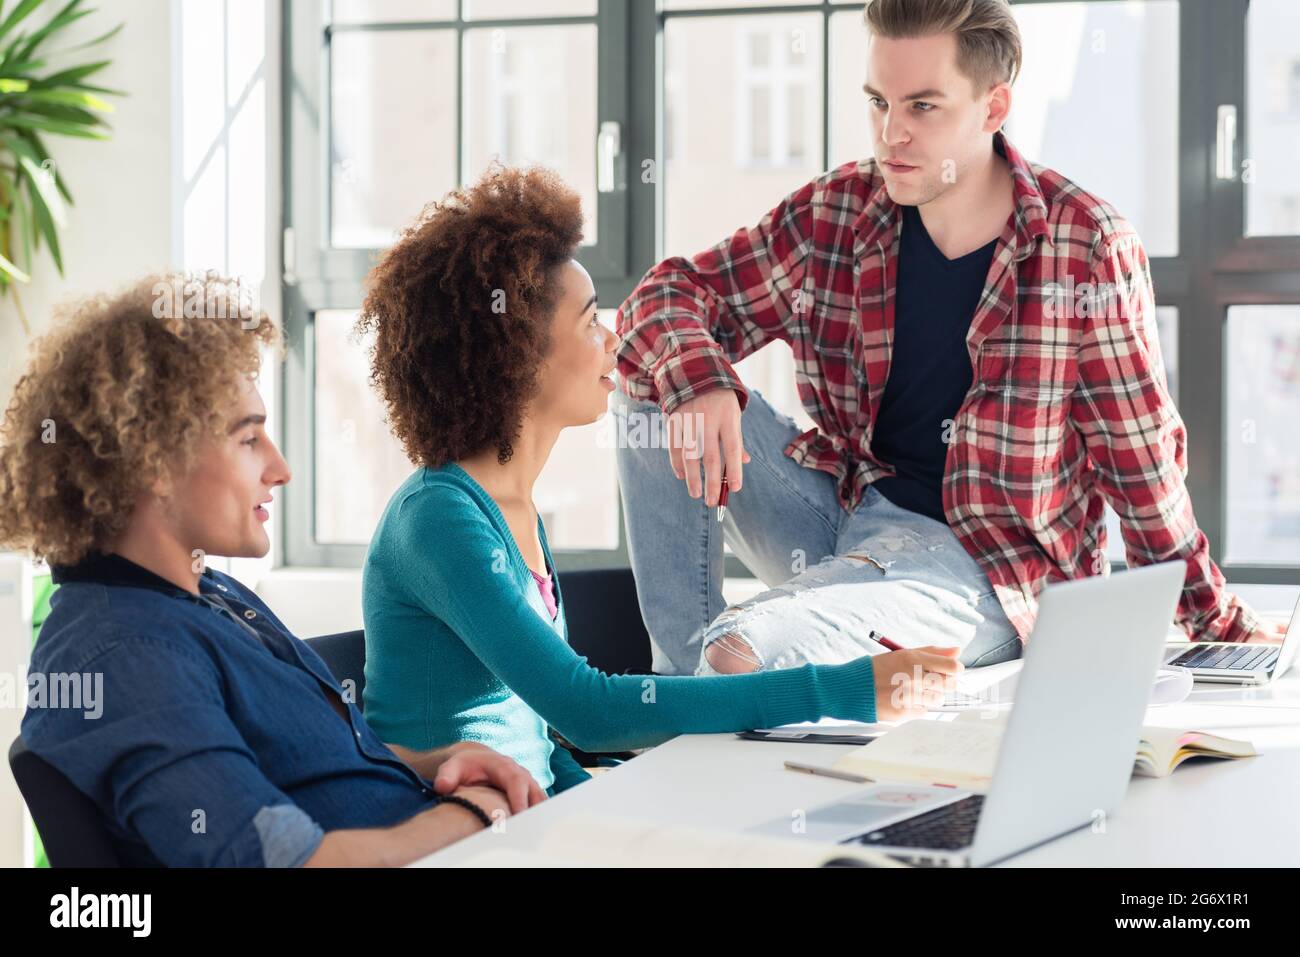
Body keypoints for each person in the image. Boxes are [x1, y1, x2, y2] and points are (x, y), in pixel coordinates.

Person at [613, 0, 1284, 679]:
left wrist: (1216, 620)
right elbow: (663, 298)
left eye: (923, 108)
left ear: (993, 108)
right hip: (840, 511)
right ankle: (674, 693)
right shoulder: (838, 211)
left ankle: (709, 683)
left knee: (741, 652)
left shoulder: (1085, 246)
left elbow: (1140, 466)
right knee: (651, 383)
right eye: (879, 102)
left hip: (985, 569)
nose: (890, 134)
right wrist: (699, 380)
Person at [357, 166, 961, 794]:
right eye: (591, 323)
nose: (614, 340)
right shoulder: (438, 519)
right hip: (453, 835)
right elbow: (588, 711)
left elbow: (538, 738)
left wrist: (618, 789)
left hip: (526, 812)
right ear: (517, 354)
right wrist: (853, 687)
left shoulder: (512, 509)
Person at [1, 274, 544, 867]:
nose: (280, 468)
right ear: (153, 462)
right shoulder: (130, 656)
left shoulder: (208, 594)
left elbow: (313, 771)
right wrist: (471, 814)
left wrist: (438, 763)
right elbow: (290, 864)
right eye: (248, 438)